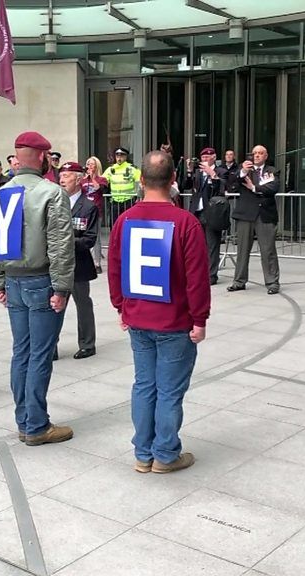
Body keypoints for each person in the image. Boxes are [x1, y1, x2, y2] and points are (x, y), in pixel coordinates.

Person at [108, 150, 210, 474]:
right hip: (174, 322)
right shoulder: (186, 222)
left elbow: (114, 267)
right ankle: (165, 454)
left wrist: (120, 306)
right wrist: (200, 319)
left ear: (140, 180)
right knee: (169, 389)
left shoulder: (124, 220)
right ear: (174, 180)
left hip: (138, 318)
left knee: (143, 385)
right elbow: (197, 278)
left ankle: (143, 453)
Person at [0, 131, 75, 446]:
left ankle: (24, 420)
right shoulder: (51, 193)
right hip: (41, 281)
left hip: (13, 281)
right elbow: (60, 245)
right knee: (40, 354)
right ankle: (37, 425)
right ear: (42, 157)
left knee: (21, 352)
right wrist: (62, 287)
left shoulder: (1, 194)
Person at [228, 145, 281, 294]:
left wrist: (254, 188)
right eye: (255, 153)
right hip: (246, 214)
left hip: (265, 215)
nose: (257, 155)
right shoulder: (243, 170)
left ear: (265, 156)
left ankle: (272, 282)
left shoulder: (272, 171)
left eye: (260, 153)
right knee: (242, 250)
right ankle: (239, 281)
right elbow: (231, 184)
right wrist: (243, 171)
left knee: (268, 250)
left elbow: (273, 188)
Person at [60, 161, 99, 359]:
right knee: (55, 305)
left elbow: (89, 239)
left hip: (79, 264)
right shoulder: (55, 203)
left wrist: (65, 241)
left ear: (78, 178)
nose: (62, 180)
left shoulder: (89, 207)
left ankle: (87, 343)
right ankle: (50, 346)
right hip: (56, 265)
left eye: (66, 176)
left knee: (83, 303)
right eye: (60, 176)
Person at [181, 147, 229, 285]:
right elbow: (186, 185)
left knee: (212, 244)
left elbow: (221, 188)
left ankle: (211, 276)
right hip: (197, 211)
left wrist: (212, 175)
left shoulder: (221, 171)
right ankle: (197, 273)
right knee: (196, 245)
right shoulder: (198, 172)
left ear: (214, 157)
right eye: (203, 158)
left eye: (207, 158)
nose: (205, 160)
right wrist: (189, 171)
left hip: (212, 212)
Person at [82, 156, 108, 272]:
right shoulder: (82, 180)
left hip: (96, 211)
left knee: (96, 238)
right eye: (88, 164)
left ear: (97, 166)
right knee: (82, 236)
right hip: (84, 212)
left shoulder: (101, 179)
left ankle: (97, 263)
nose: (90, 166)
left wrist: (92, 177)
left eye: (92, 164)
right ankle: (86, 261)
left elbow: (99, 188)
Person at [103, 147, 141, 228]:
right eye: (117, 156)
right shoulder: (111, 169)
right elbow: (102, 180)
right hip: (115, 202)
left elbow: (141, 182)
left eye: (121, 156)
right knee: (114, 225)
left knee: (128, 225)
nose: (119, 158)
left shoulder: (132, 168)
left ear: (125, 157)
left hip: (128, 201)